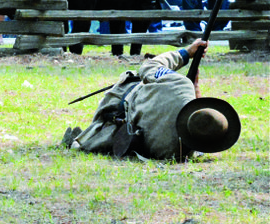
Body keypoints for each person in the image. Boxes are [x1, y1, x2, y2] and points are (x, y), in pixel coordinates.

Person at [64, 39, 240, 161]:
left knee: (83, 143)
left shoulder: (180, 84)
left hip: (116, 102)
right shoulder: (173, 153)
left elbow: (149, 66)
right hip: (118, 125)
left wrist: (185, 53)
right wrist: (195, 87)